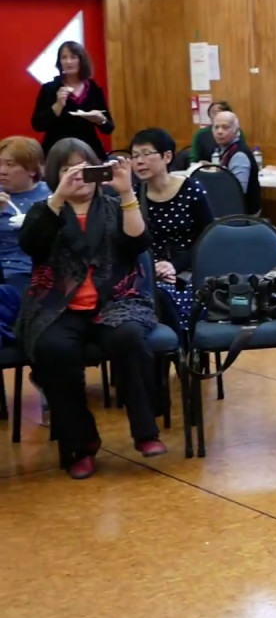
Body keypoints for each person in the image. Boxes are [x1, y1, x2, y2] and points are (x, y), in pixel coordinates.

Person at [17, 138, 166, 479]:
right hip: (58, 306)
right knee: (52, 348)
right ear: (56, 174)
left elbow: (138, 243)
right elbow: (32, 244)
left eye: (86, 168)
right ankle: (81, 444)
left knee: (129, 337)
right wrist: (57, 198)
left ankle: (146, 432)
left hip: (117, 300)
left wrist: (128, 193)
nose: (80, 177)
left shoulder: (114, 205)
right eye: (70, 170)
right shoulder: (47, 210)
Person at [130, 128, 214, 323]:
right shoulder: (132, 196)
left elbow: (207, 239)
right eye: (134, 156)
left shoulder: (191, 190)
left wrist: (174, 266)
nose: (139, 161)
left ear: (167, 157)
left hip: (190, 270)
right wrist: (153, 268)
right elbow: (132, 244)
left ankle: (184, 348)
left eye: (146, 154)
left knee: (170, 298)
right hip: (150, 274)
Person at [29, 41, 114, 160]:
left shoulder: (94, 89)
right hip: (57, 151)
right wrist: (57, 106)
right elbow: (37, 125)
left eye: (73, 57)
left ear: (81, 60)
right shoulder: (49, 89)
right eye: (64, 57)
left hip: (89, 150)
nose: (68, 61)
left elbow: (109, 128)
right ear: (59, 62)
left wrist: (100, 120)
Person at [0, 136, 52, 294]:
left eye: (10, 165)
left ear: (32, 169)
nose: (2, 171)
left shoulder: (52, 195)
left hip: (31, 272)